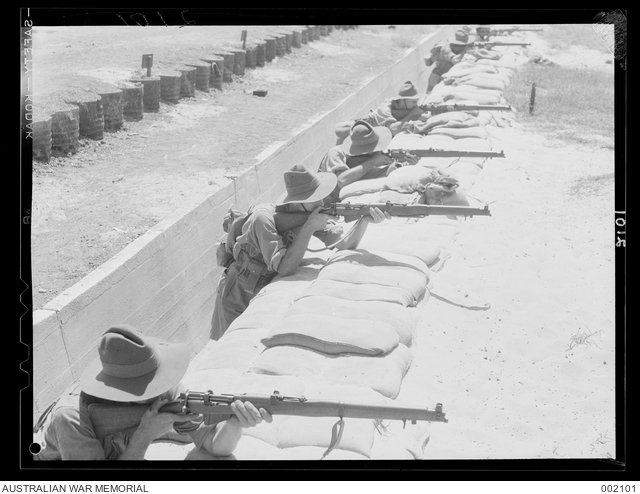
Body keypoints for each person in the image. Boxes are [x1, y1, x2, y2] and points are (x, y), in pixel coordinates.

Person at [33, 325, 273, 460]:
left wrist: (234, 424)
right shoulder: (70, 417)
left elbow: (213, 445)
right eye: (147, 387)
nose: (159, 391)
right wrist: (144, 436)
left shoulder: (164, 391)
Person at [210, 164, 391, 340]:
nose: (322, 202)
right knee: (231, 347)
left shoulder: (307, 214)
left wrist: (364, 220)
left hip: (262, 287)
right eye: (316, 197)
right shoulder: (263, 219)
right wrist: (309, 227)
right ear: (299, 202)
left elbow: (344, 245)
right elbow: (285, 268)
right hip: (238, 293)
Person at [319, 120, 419, 201]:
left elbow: (379, 175)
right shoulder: (336, 153)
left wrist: (406, 165)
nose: (377, 150)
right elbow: (341, 180)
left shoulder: (367, 158)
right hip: (327, 202)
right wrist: (372, 162)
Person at [335, 81, 429, 140]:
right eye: (413, 102)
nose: (416, 105)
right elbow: (393, 130)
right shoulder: (385, 110)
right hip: (358, 134)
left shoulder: (404, 107)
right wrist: (411, 115)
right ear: (402, 100)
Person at [424, 28, 477, 93]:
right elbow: (455, 60)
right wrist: (464, 51)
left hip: (448, 76)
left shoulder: (458, 50)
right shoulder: (446, 49)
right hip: (438, 76)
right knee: (430, 96)